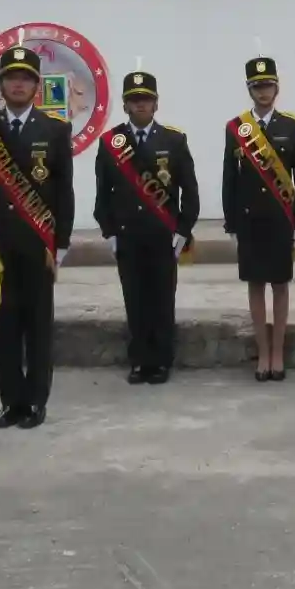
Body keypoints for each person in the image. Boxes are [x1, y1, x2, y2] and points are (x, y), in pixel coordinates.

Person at [0, 44, 75, 429]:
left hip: (38, 245)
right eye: (11, 78)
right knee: (4, 326)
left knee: (37, 325)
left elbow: (63, 190)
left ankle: (35, 401)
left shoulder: (54, 129)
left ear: (37, 85)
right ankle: (9, 401)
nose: (18, 84)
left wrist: (61, 242)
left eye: (25, 78)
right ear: (1, 85)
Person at [95, 71, 199, 385]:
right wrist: (110, 232)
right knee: (135, 300)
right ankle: (139, 360)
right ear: (125, 105)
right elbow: (103, 194)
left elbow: (189, 192)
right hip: (128, 235)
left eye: (146, 99)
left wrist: (182, 231)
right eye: (134, 99)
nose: (140, 104)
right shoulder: (111, 142)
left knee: (162, 300)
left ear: (156, 104)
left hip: (163, 236)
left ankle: (162, 360)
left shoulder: (174, 140)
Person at [222, 56, 295, 381]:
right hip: (249, 220)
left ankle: (278, 351)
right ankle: (262, 352)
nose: (263, 92)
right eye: (257, 87)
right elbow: (229, 178)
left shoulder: (291, 126)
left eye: (267, 85)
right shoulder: (237, 128)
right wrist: (231, 222)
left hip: (281, 219)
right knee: (255, 285)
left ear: (277, 87)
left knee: (281, 285)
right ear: (249, 89)